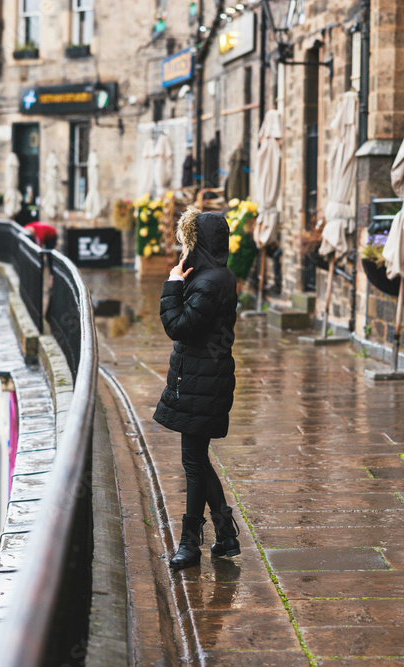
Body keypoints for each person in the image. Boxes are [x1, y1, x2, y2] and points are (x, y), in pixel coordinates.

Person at [153, 206, 241, 569]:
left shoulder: (207, 283)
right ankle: (225, 534)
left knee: (193, 462)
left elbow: (178, 326)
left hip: (201, 383)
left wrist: (173, 283)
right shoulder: (220, 276)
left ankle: (190, 544)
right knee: (198, 459)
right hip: (205, 379)